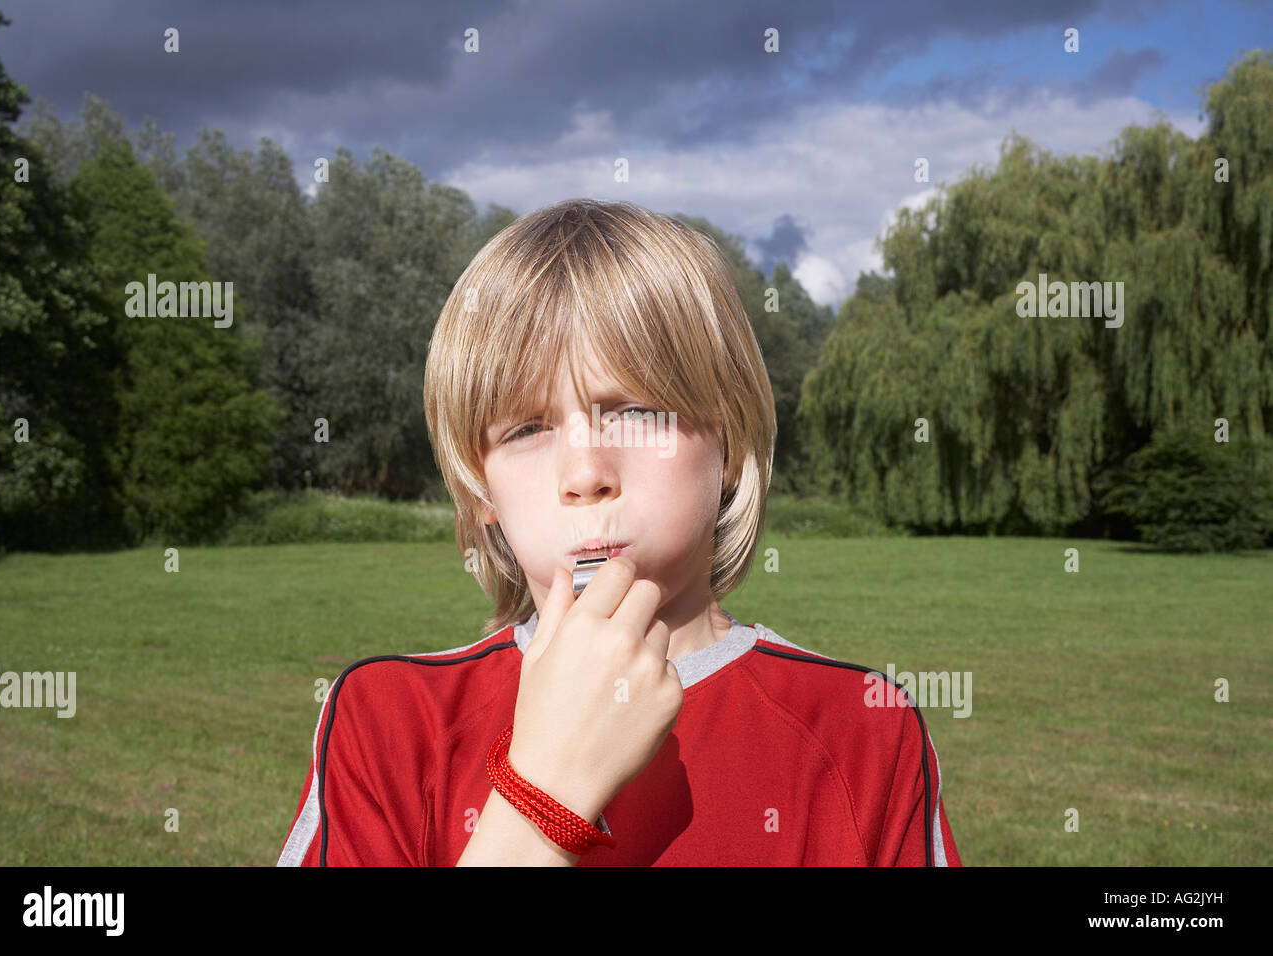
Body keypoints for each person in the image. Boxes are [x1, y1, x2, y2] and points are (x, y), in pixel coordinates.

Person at [277, 198, 963, 866]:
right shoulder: (387, 723)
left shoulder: (861, 726)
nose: (584, 472)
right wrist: (543, 794)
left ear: (731, 443)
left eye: (635, 411)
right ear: (480, 489)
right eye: (527, 428)